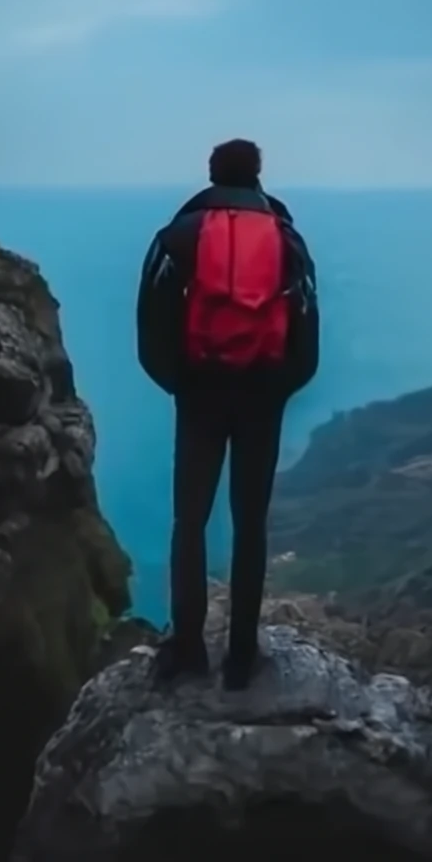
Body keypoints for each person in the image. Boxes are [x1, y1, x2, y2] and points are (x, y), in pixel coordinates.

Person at [136, 138, 319, 690]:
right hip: (262, 396)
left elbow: (151, 328)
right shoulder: (287, 240)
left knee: (189, 520)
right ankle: (241, 656)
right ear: (257, 174)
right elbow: (307, 340)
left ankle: (188, 648)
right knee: (250, 524)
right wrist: (277, 389)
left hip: (199, 395)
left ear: (211, 173)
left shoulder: (178, 238)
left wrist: (183, 385)